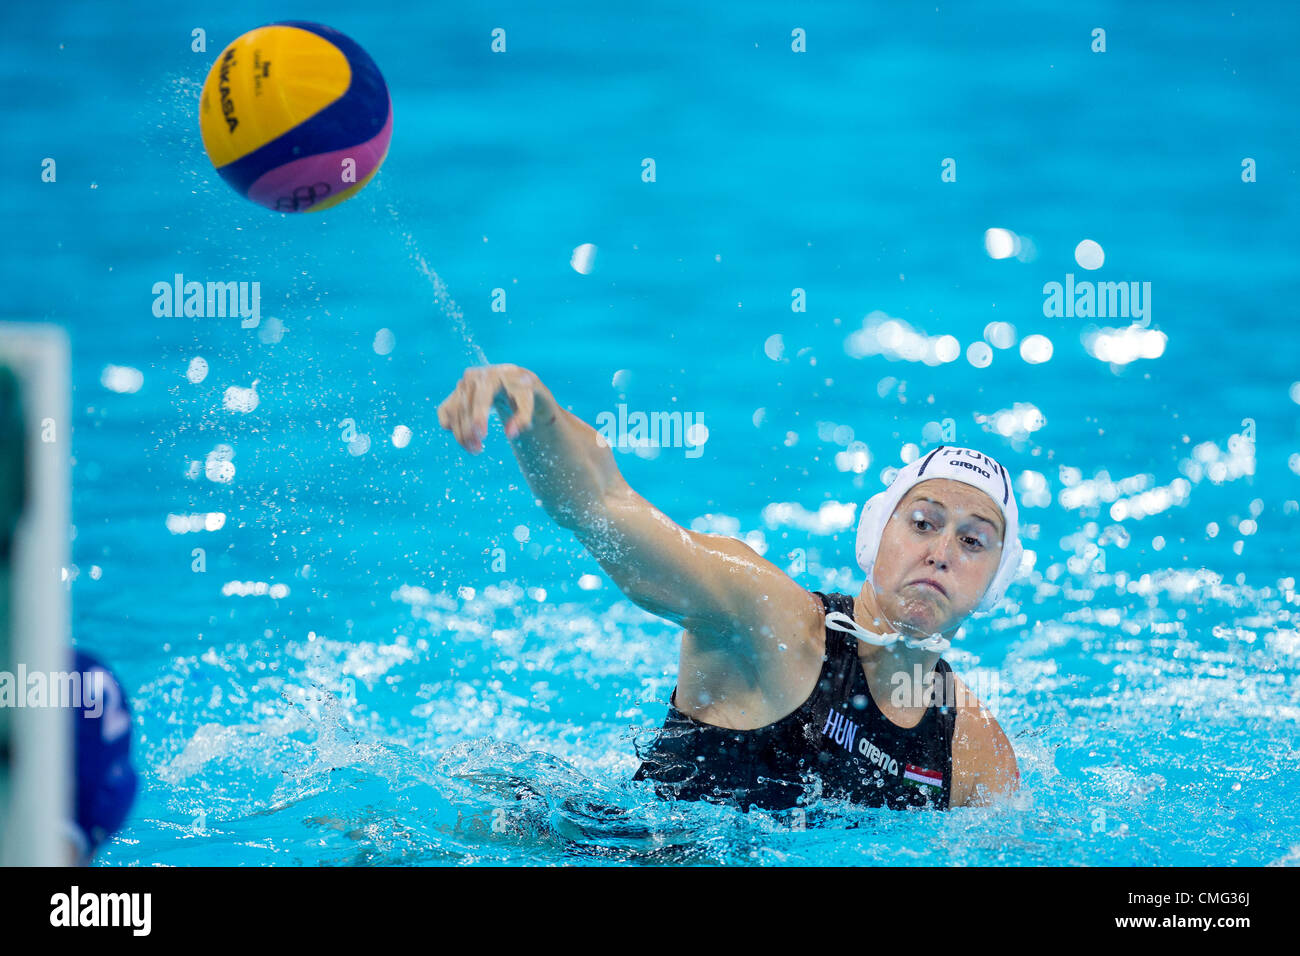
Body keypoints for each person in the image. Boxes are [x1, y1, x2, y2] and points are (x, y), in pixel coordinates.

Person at [438, 364, 1021, 814]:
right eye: (922, 523)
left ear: (994, 581)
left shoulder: (976, 752)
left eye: (973, 541)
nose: (941, 553)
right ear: (875, 535)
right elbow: (603, 506)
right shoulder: (773, 626)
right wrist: (538, 412)